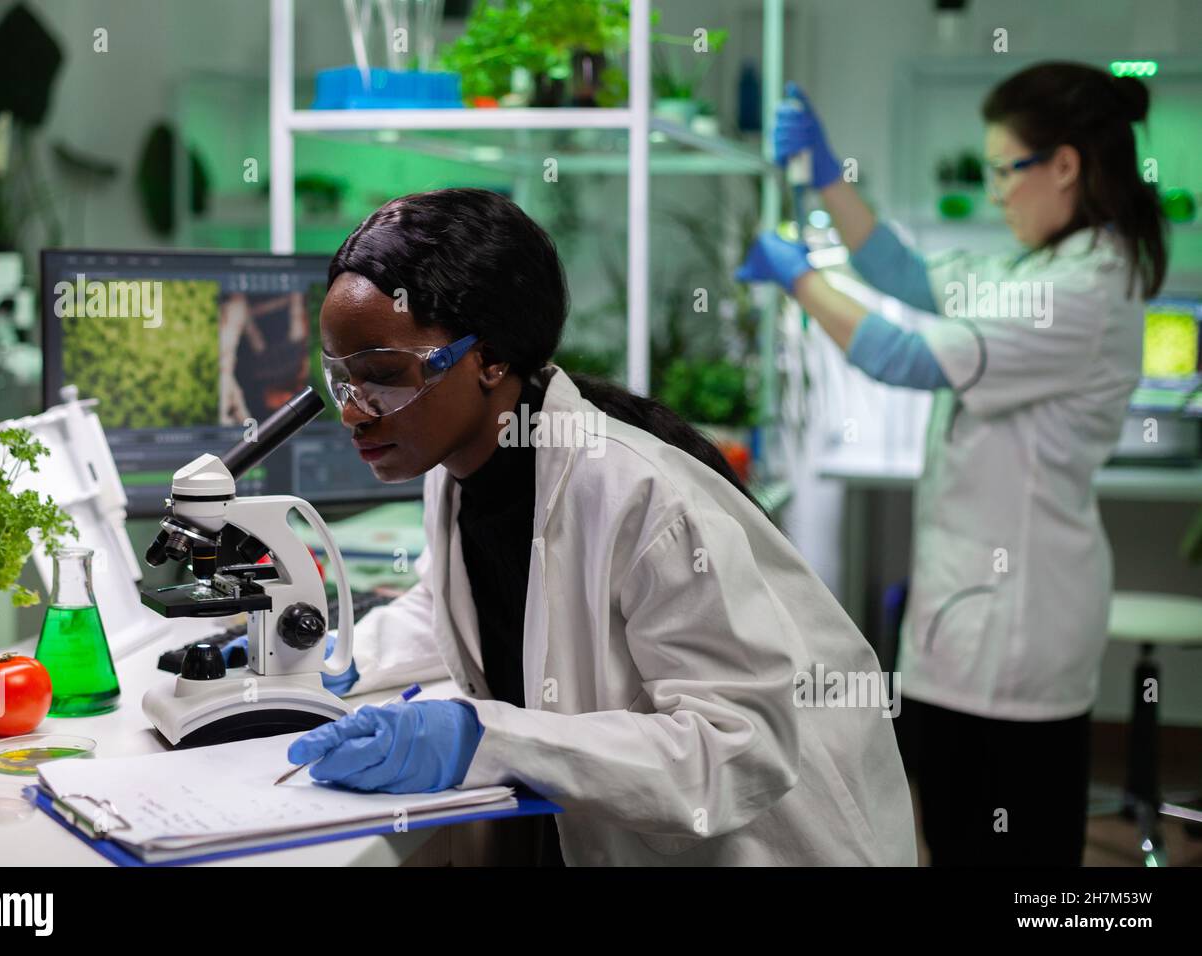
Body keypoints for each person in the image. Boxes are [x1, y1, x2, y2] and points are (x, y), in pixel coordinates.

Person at [282, 187, 917, 866]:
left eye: (382, 376)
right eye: (339, 380)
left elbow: (739, 748)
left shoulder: (640, 496)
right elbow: (458, 604)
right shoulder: (459, 467)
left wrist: (485, 738)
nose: (353, 413)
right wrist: (321, 657)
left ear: (489, 358)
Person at [737, 64, 1166, 866]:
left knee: (1009, 853)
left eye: (1006, 168)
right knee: (959, 837)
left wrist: (799, 277)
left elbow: (903, 355)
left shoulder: (1081, 289)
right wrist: (831, 179)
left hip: (1016, 633)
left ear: (1065, 165)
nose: (997, 191)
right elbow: (906, 276)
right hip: (966, 623)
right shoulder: (1033, 268)